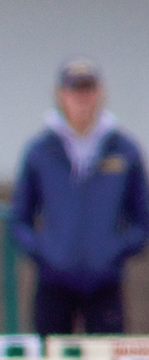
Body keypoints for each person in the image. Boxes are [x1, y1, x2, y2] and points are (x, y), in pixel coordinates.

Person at [9, 57, 148, 338]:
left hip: (105, 283)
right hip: (53, 282)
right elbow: (19, 218)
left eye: (88, 89)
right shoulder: (40, 151)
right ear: (61, 95)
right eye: (75, 89)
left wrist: (113, 251)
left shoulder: (123, 150)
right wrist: (46, 252)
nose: (82, 98)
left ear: (99, 94)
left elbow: (141, 220)